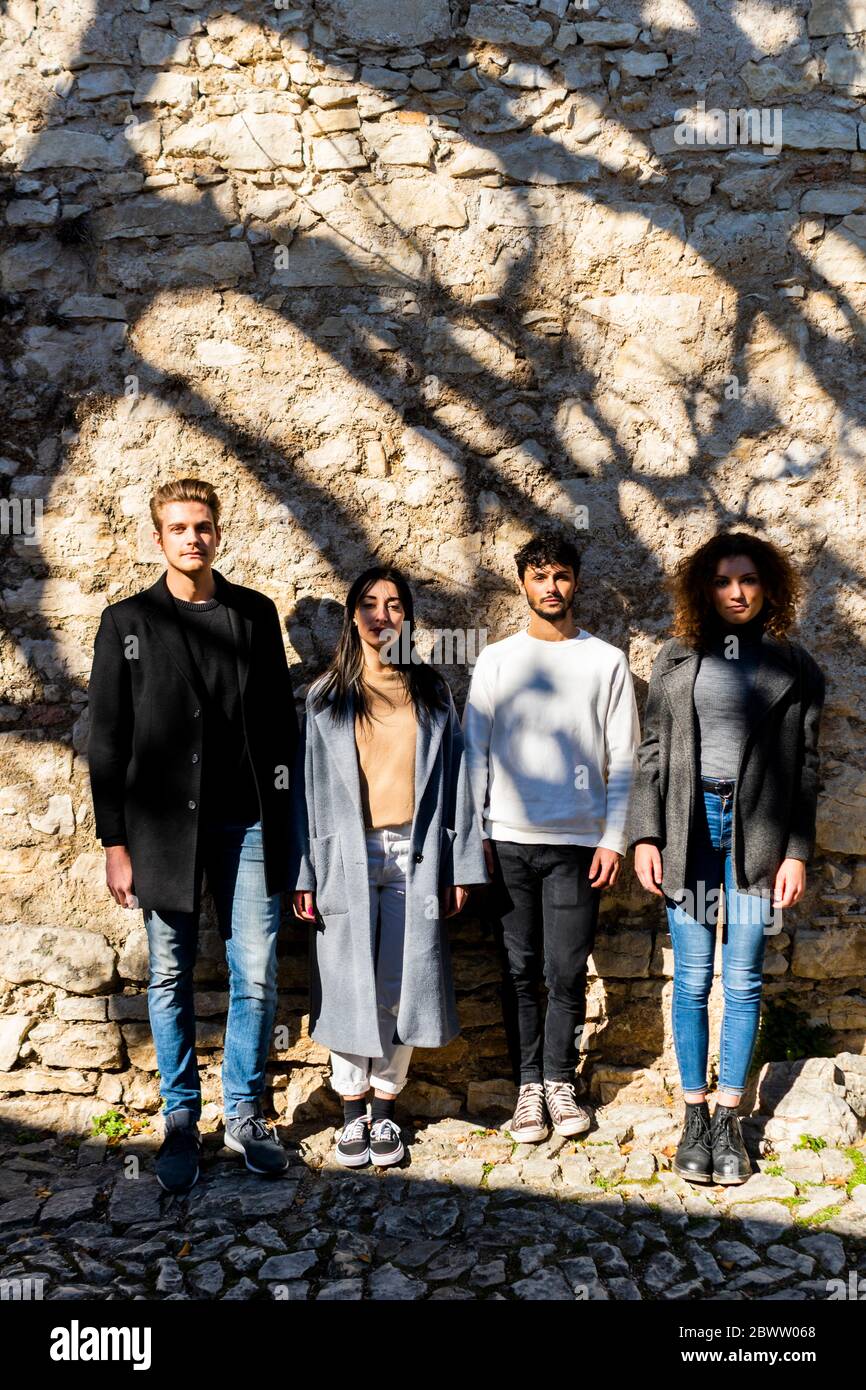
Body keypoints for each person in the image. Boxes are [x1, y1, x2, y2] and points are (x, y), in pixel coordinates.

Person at [88, 479, 298, 1194]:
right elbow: (108, 740)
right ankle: (181, 1117)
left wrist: (286, 821)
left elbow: (278, 729)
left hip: (248, 824)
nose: (192, 538)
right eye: (178, 527)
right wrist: (115, 842)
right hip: (161, 831)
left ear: (218, 532)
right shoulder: (127, 623)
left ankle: (243, 1112)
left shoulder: (254, 614)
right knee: (172, 973)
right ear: (159, 538)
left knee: (257, 971)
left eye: (203, 526)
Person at [629, 531, 825, 1185]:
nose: (736, 592)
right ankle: (693, 1115)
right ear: (703, 590)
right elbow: (652, 752)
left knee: (742, 980)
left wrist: (796, 852)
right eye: (722, 581)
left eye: (747, 579)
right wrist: (645, 835)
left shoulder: (795, 669)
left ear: (767, 586)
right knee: (689, 980)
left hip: (757, 838)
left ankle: (731, 1119)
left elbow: (806, 774)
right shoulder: (676, 659)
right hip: (688, 828)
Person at [291, 567, 487, 1168]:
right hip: (346, 854)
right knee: (348, 981)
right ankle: (351, 1110)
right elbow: (306, 790)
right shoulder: (326, 697)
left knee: (405, 983)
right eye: (371, 605)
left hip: (416, 853)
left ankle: (385, 1108)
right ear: (354, 616)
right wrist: (305, 872)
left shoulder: (431, 692)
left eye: (395, 605)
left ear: (408, 617)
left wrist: (461, 865)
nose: (383, 615)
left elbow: (459, 782)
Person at [462, 532, 640, 1143]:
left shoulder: (607, 661)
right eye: (540, 577)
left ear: (576, 581)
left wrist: (612, 838)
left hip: (577, 844)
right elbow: (474, 754)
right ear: (523, 584)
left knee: (566, 970)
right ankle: (528, 1089)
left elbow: (625, 757)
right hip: (507, 840)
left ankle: (561, 1083)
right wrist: (476, 833)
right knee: (518, 969)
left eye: (561, 575)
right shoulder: (497, 661)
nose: (552, 587)